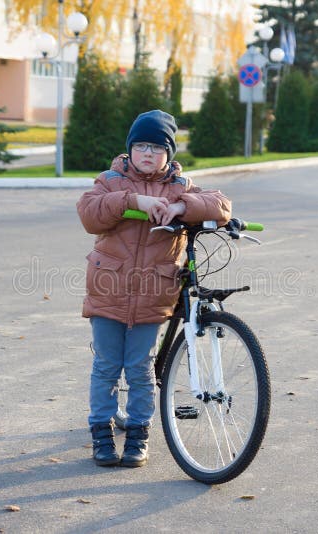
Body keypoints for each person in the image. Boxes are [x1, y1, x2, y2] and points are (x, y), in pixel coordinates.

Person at [76, 110, 232, 467]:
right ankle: (101, 432)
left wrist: (181, 205)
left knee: (141, 367)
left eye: (157, 147)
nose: (148, 153)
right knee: (106, 365)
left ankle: (138, 435)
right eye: (141, 145)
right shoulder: (112, 181)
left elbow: (221, 204)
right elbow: (89, 213)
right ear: (130, 149)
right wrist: (135, 202)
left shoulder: (180, 185)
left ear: (169, 153)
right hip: (108, 289)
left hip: (153, 293)